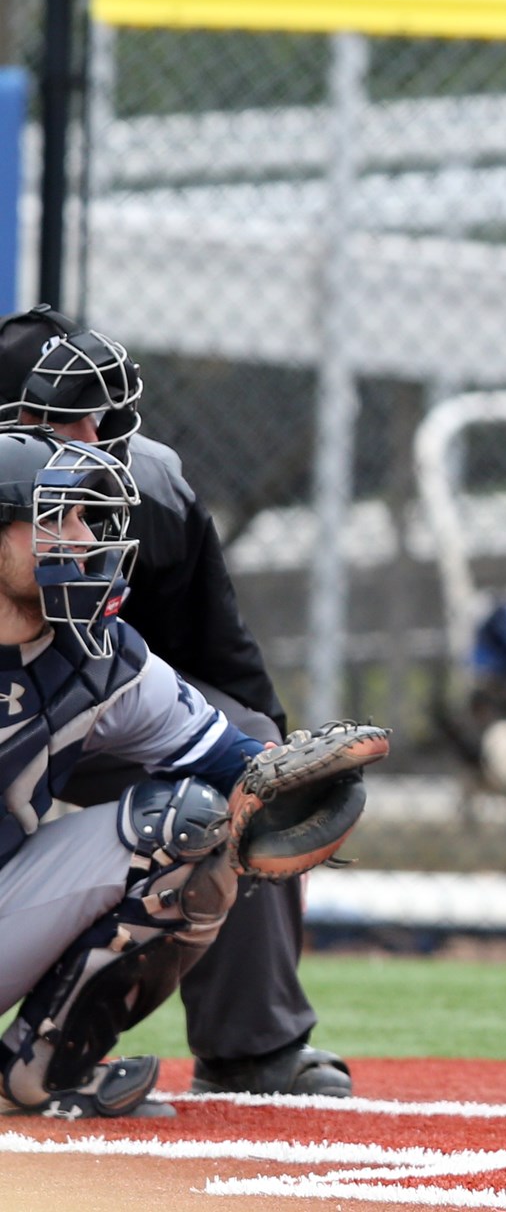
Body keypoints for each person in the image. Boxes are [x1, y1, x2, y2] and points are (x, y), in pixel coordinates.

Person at [0, 307, 352, 1098]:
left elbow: (221, 673)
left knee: (207, 804)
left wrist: (284, 783)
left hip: (84, 716)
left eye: (98, 417)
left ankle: (241, 1044)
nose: (86, 447)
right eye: (54, 422)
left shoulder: (146, 503)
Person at [0, 428, 271, 1117]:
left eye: (86, 516)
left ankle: (39, 1069)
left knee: (193, 824)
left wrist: (297, 790)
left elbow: (232, 765)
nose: (85, 538)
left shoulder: (97, 655)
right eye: (55, 517)